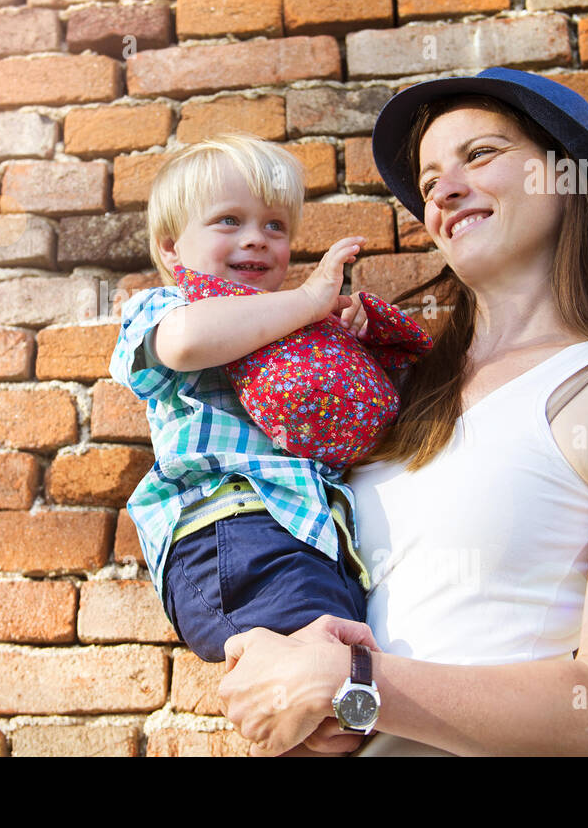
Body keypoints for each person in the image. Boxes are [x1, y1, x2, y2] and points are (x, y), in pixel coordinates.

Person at [216, 68, 588, 756]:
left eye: (479, 154)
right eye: (428, 183)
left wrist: (355, 681)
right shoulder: (396, 397)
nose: (443, 190)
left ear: (568, 178)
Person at [108, 134, 426, 664]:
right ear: (170, 247)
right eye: (229, 221)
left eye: (274, 225)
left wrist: (357, 344)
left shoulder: (297, 326)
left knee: (331, 695)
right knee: (320, 677)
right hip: (229, 531)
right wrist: (303, 302)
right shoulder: (168, 305)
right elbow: (187, 341)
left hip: (319, 542)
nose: (256, 239)